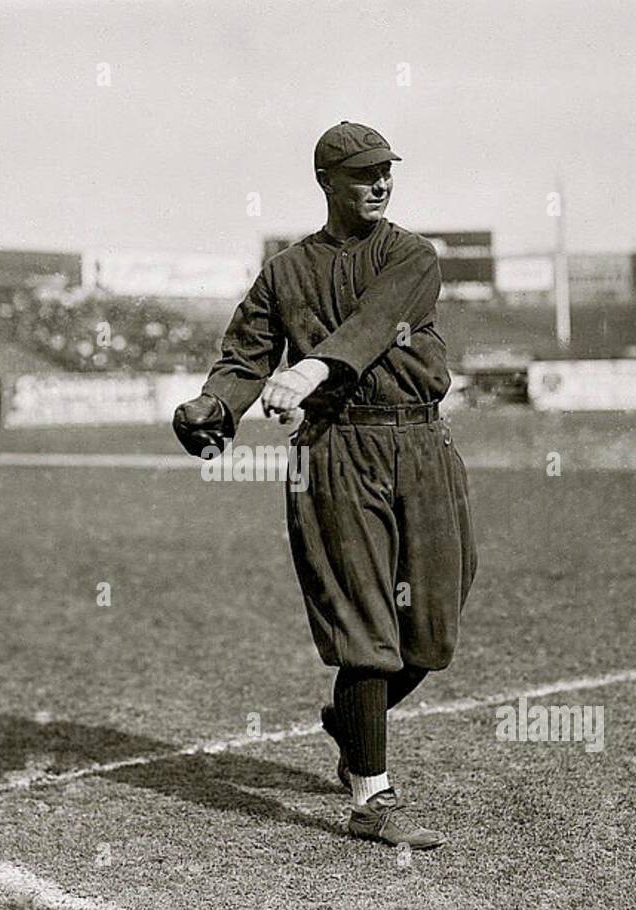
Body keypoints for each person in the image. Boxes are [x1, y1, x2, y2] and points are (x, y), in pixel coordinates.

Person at [172, 122, 476, 849]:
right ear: (326, 182)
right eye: (363, 173)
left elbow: (377, 324)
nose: (380, 183)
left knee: (432, 632)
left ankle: (350, 721)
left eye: (386, 171)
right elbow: (245, 356)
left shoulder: (410, 255)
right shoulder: (284, 272)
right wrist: (213, 408)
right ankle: (372, 794)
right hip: (334, 451)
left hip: (421, 441)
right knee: (365, 627)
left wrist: (312, 369)